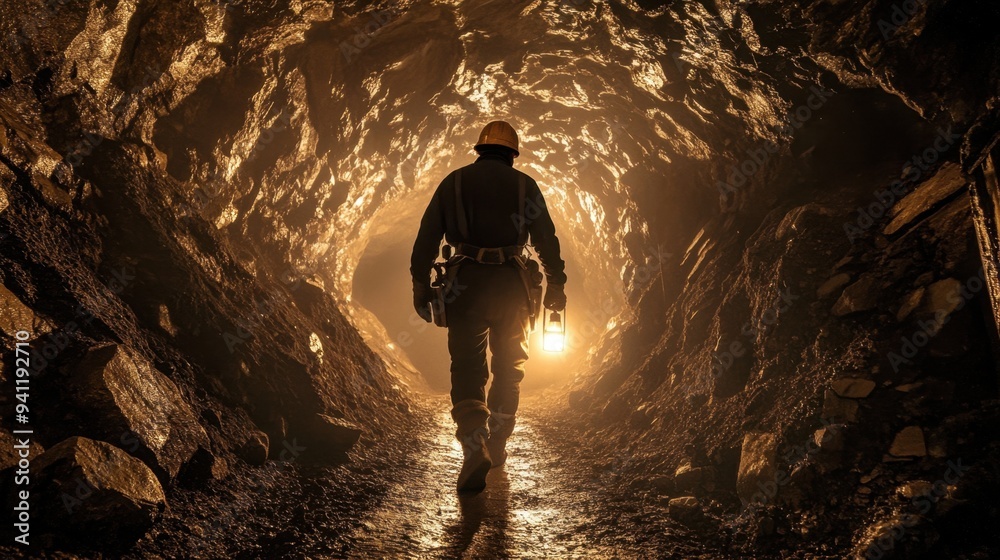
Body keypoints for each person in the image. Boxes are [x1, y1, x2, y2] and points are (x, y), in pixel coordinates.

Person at [410, 121, 567, 492]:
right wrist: (557, 283)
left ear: (479, 149)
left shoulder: (455, 182)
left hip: (464, 286)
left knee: (467, 367)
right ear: (512, 154)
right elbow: (546, 239)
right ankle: (496, 442)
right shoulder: (525, 185)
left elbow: (427, 236)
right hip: (513, 287)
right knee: (510, 368)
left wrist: (420, 286)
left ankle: (473, 443)